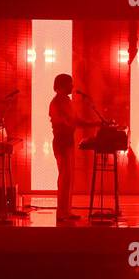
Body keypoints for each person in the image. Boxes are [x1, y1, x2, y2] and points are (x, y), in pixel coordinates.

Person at [49, 74, 94, 222]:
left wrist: (94, 124)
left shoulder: (67, 101)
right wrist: (78, 124)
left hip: (68, 142)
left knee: (69, 179)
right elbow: (62, 122)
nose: (72, 87)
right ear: (61, 85)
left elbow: (75, 120)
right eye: (70, 84)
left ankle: (67, 211)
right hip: (61, 143)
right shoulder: (55, 103)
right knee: (64, 178)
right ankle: (61, 213)